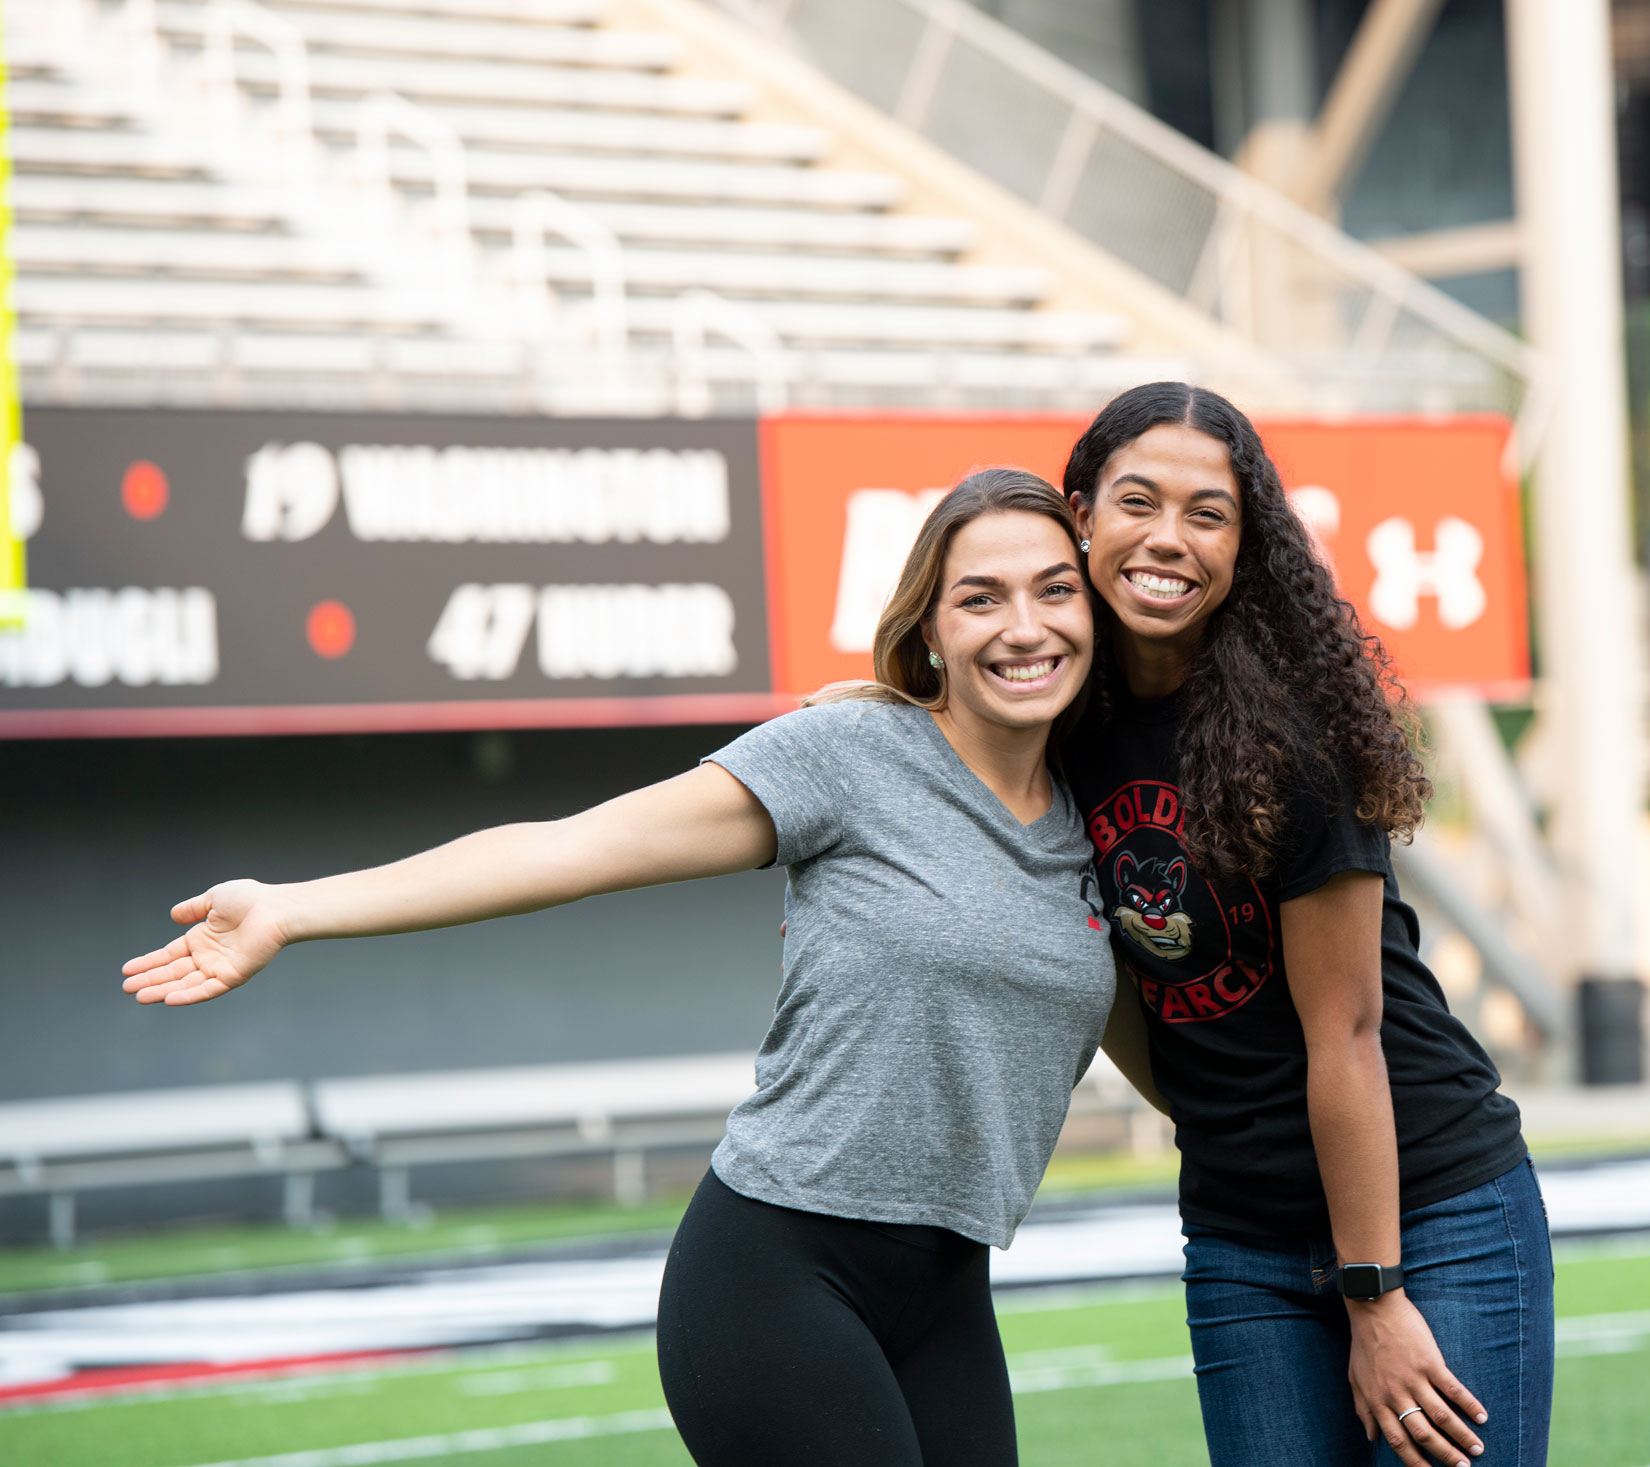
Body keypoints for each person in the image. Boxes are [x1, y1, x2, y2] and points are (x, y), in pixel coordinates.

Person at [120, 468, 1123, 1467]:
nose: (1023, 627)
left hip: (951, 1289)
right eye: (979, 598)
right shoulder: (853, 754)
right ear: (930, 633)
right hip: (779, 1280)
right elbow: (569, 848)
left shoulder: (1104, 823)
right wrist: (293, 910)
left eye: (1052, 590)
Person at [1062, 383, 1554, 1467]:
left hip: (1428, 1213)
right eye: (1137, 500)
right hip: (1242, 1234)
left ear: (1245, 547)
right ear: (1083, 514)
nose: (1168, 539)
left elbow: (1348, 1036)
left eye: (1208, 514)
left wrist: (1374, 1297)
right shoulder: (1057, 724)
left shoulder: (1291, 738)